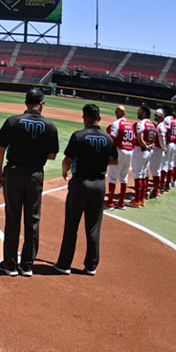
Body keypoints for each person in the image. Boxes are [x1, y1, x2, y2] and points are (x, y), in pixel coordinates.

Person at [0, 88, 59, 276]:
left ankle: (10, 264)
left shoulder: (13, 121)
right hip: (35, 174)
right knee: (33, 220)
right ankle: (27, 265)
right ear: (41, 103)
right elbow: (52, 155)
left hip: (14, 172)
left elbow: (0, 150)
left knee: (13, 218)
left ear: (26, 103)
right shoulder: (50, 125)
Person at [55, 104, 118, 276]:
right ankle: (91, 265)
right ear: (99, 118)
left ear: (84, 117)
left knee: (71, 225)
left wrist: (65, 171)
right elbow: (114, 160)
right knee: (94, 226)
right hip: (99, 184)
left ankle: (64, 264)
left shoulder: (79, 136)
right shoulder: (108, 138)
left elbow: (67, 160)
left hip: (80, 183)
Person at [104, 105, 134, 209]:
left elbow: (112, 138)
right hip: (129, 151)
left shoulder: (117, 123)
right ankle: (121, 202)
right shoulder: (130, 124)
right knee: (124, 177)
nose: (115, 113)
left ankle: (110, 202)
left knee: (112, 176)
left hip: (119, 150)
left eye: (116, 112)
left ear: (120, 113)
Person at [131, 105, 155, 207]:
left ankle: (137, 200)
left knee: (138, 175)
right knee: (144, 174)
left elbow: (140, 139)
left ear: (144, 113)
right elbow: (153, 138)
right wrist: (149, 145)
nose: (138, 113)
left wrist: (145, 145)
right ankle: (142, 198)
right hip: (148, 152)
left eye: (139, 111)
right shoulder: (152, 124)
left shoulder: (141, 123)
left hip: (140, 150)